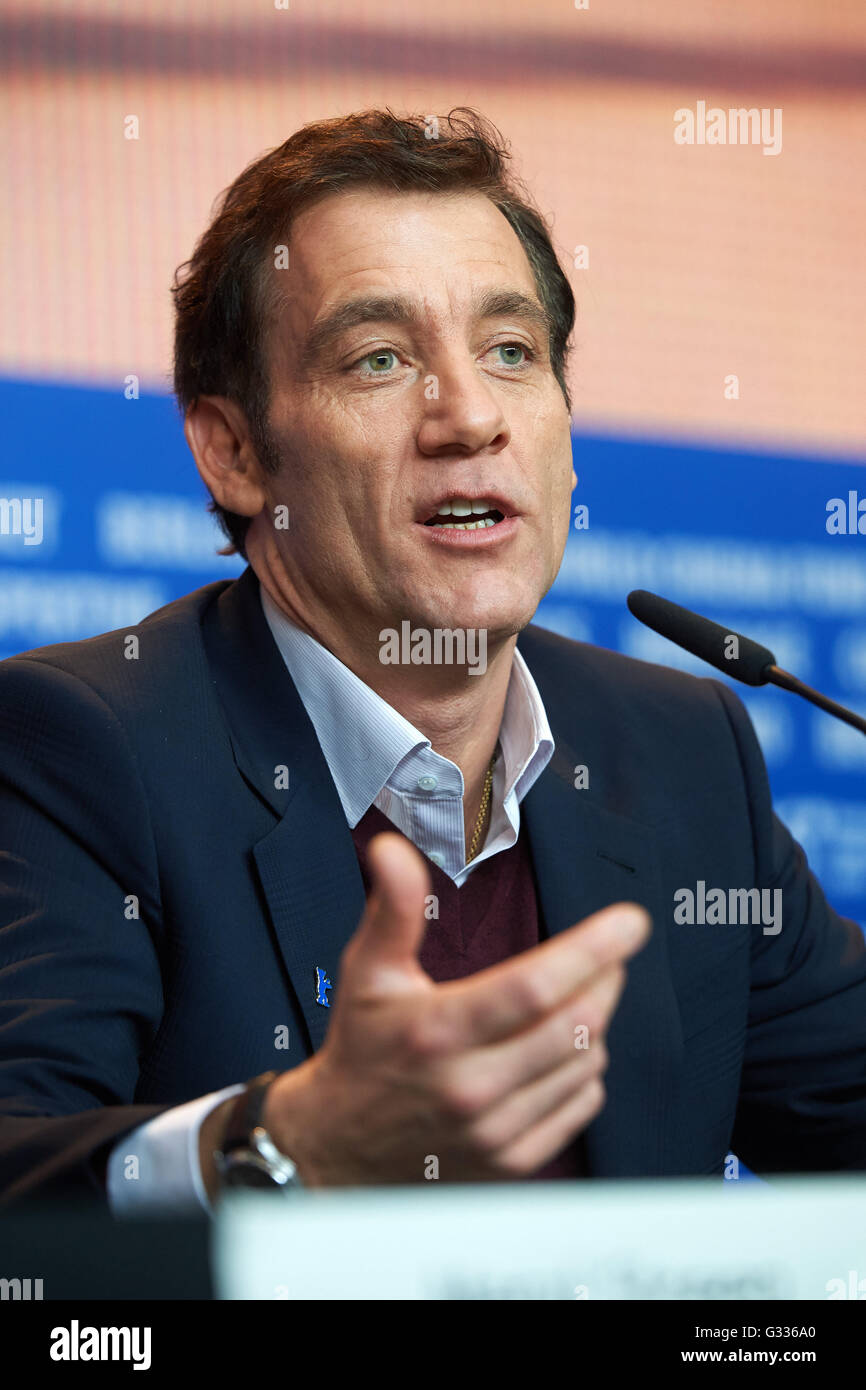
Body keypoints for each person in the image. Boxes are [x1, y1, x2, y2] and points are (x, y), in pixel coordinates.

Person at [1, 109, 864, 1215]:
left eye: (511, 352)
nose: (469, 416)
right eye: (380, 359)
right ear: (234, 451)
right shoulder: (85, 749)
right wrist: (280, 1147)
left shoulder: (678, 749)